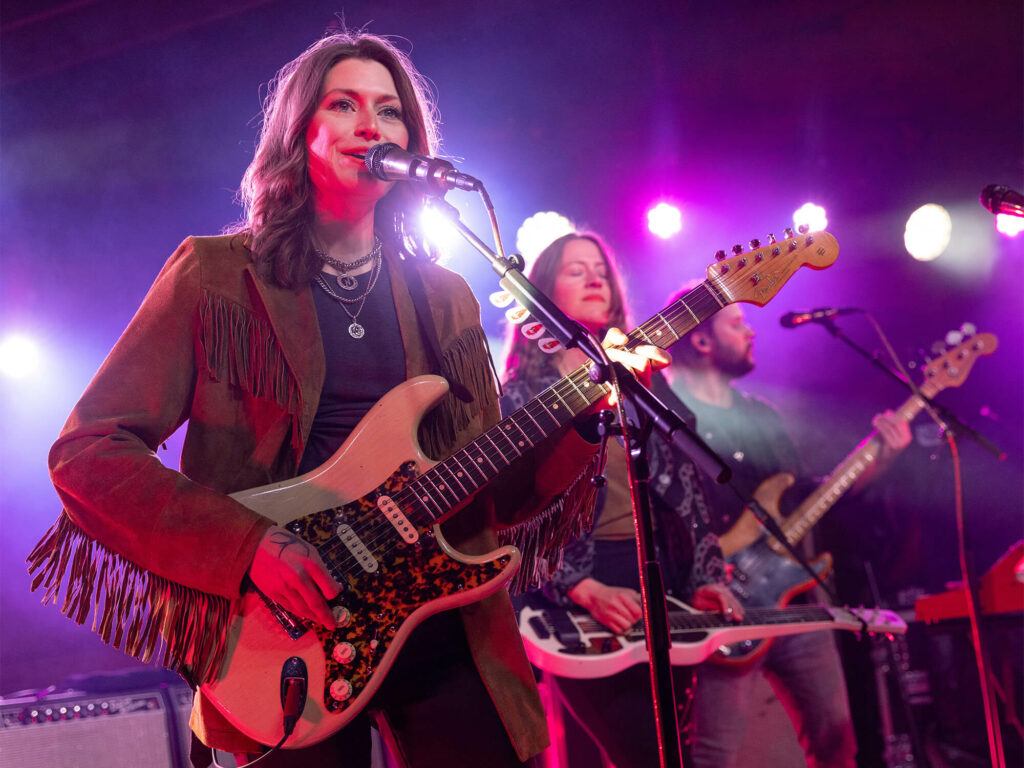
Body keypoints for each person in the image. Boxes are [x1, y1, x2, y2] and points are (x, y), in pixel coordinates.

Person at [27, 33, 623, 768]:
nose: (372, 127)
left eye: (390, 111)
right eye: (344, 105)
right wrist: (248, 546)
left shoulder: (445, 296)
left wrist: (580, 429)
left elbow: (494, 495)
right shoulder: (217, 277)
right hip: (283, 629)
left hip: (438, 619)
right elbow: (89, 451)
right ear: (299, 134)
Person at [501, 233, 743, 768]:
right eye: (574, 270)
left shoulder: (646, 379)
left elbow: (690, 492)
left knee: (677, 751)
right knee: (640, 752)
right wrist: (578, 587)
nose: (593, 279)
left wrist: (705, 578)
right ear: (543, 290)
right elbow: (511, 517)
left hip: (660, 571)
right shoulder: (518, 396)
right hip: (577, 586)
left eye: (601, 271)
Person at [664, 293, 912, 768]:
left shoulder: (762, 416)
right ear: (700, 339)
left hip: (791, 603)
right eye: (736, 324)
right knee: (714, 755)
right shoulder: (666, 416)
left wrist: (881, 458)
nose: (751, 331)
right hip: (720, 606)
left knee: (837, 742)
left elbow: (806, 499)